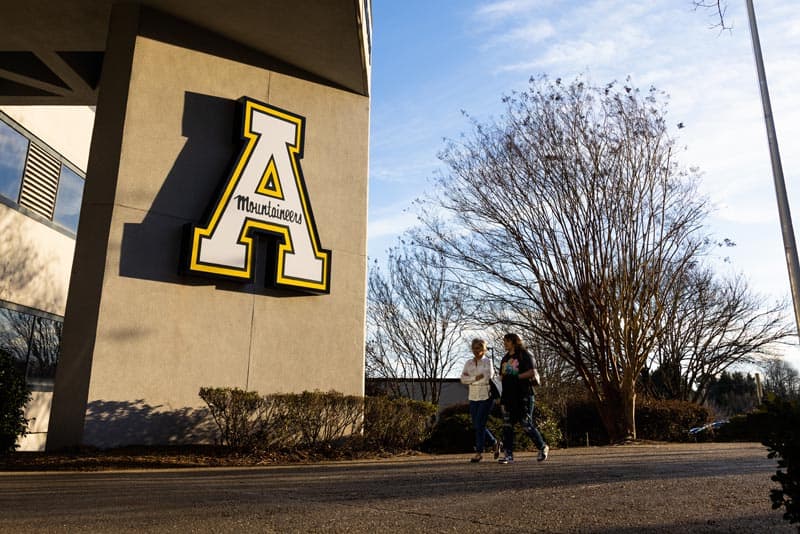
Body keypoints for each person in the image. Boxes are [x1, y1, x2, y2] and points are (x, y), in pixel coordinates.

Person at [497, 333, 549, 464]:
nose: (504, 343)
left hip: (524, 394)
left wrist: (516, 377)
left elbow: (532, 372)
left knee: (526, 424)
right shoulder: (504, 358)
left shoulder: (525, 355)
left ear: (514, 342)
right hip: (508, 396)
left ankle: (542, 447)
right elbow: (501, 376)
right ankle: (508, 455)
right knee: (507, 425)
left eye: (507, 341)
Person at [459, 338, 503, 462]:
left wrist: (471, 378)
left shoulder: (487, 362)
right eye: (474, 348)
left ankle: (479, 452)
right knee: (477, 424)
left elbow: (486, 377)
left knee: (480, 424)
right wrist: (475, 377)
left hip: (486, 396)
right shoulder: (468, 363)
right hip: (473, 396)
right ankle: (494, 443)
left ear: (483, 349)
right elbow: (462, 379)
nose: (476, 350)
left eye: (479, 348)